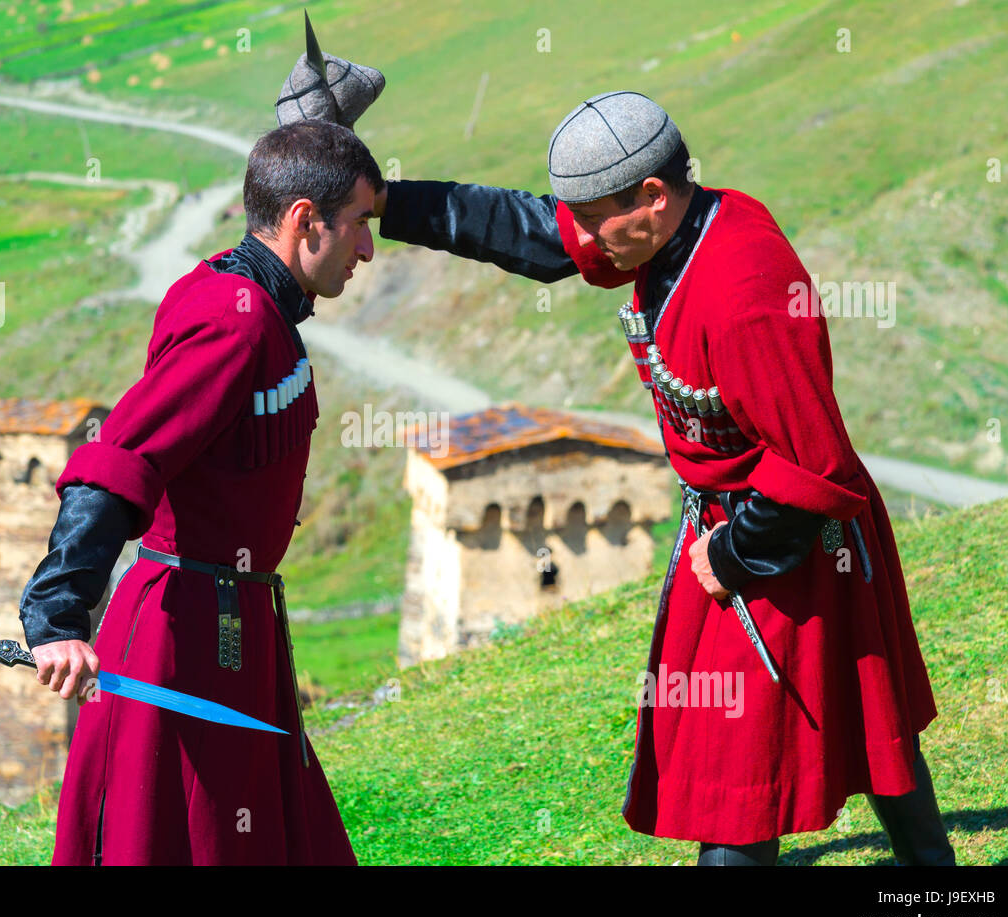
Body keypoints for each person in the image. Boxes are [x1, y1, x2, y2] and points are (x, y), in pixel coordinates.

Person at [364, 90, 955, 866]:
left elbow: (814, 462)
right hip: (741, 527)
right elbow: (537, 234)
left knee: (746, 782)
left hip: (788, 538)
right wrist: (385, 201)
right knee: (867, 727)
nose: (575, 238)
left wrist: (732, 554)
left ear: (649, 196)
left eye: (588, 218)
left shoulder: (745, 293)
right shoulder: (670, 229)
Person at [17, 118, 383, 865]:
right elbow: (122, 455)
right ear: (303, 220)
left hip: (237, 627)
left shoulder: (258, 298)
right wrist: (57, 612)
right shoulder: (234, 324)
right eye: (360, 225)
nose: (369, 249)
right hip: (181, 643)